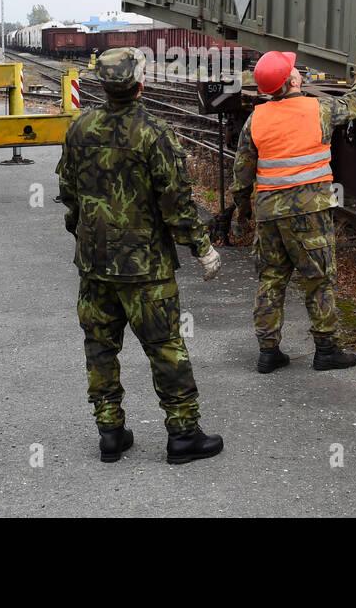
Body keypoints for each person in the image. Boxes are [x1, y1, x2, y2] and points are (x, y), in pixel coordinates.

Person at [56, 46, 225, 465]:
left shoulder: (80, 128)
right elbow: (177, 205)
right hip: (145, 269)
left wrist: (80, 228)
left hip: (95, 265)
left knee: (100, 347)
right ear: (140, 83)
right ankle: (183, 435)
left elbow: (68, 191)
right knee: (166, 348)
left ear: (103, 84)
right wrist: (202, 249)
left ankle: (110, 432)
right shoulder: (154, 132)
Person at [231, 51, 356, 373]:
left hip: (269, 214)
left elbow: (241, 173)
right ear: (294, 81)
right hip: (310, 213)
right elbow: (353, 105)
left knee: (270, 280)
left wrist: (243, 211)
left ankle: (268, 353)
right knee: (319, 280)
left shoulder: (256, 118)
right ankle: (326, 350)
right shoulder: (319, 109)